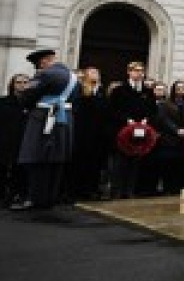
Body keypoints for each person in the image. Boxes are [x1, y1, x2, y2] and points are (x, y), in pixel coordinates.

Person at [11, 49, 76, 210]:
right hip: (65, 120)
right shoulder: (73, 77)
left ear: (44, 61)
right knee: (56, 160)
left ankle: (35, 199)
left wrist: (24, 100)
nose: (39, 68)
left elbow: (27, 97)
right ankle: (50, 198)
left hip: (43, 119)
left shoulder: (45, 74)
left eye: (39, 65)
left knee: (37, 159)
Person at [108, 61, 156, 197]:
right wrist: (127, 120)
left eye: (141, 71)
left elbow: (153, 110)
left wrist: (147, 119)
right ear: (129, 72)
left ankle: (130, 191)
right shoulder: (119, 90)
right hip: (122, 132)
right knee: (120, 163)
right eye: (136, 70)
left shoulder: (147, 91)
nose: (139, 73)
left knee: (135, 163)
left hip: (141, 132)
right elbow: (112, 110)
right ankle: (117, 191)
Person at [67, 67, 108, 201]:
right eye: (92, 72)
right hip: (83, 132)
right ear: (85, 75)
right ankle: (75, 191)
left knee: (94, 164)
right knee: (79, 163)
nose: (95, 74)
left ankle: (91, 190)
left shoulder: (101, 91)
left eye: (97, 72)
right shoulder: (80, 89)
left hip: (97, 133)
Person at [154, 81, 184, 193]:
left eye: (183, 88)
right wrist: (176, 129)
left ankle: (180, 188)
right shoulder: (166, 103)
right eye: (178, 88)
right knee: (170, 166)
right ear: (174, 89)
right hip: (170, 140)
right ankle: (169, 188)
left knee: (183, 166)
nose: (180, 90)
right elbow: (164, 119)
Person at [1, 74, 31, 205]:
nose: (22, 85)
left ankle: (16, 194)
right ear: (13, 84)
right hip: (6, 140)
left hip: (24, 141)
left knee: (20, 170)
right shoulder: (3, 102)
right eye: (19, 82)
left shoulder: (31, 103)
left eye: (25, 82)